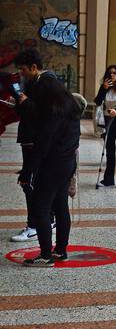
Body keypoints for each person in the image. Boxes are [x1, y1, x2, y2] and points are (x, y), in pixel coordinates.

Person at [21, 73, 81, 266]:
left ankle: (46, 255)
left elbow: (42, 144)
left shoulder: (53, 112)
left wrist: (27, 171)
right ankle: (61, 251)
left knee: (41, 207)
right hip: (67, 162)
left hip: (53, 165)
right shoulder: (70, 106)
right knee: (61, 205)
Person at [10, 49, 52, 243]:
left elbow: (44, 114)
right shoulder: (32, 82)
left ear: (34, 67)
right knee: (33, 182)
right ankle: (43, 220)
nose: (21, 73)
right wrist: (18, 102)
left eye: (23, 69)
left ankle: (34, 225)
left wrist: (25, 102)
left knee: (30, 181)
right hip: (29, 139)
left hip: (36, 141)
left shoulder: (45, 83)